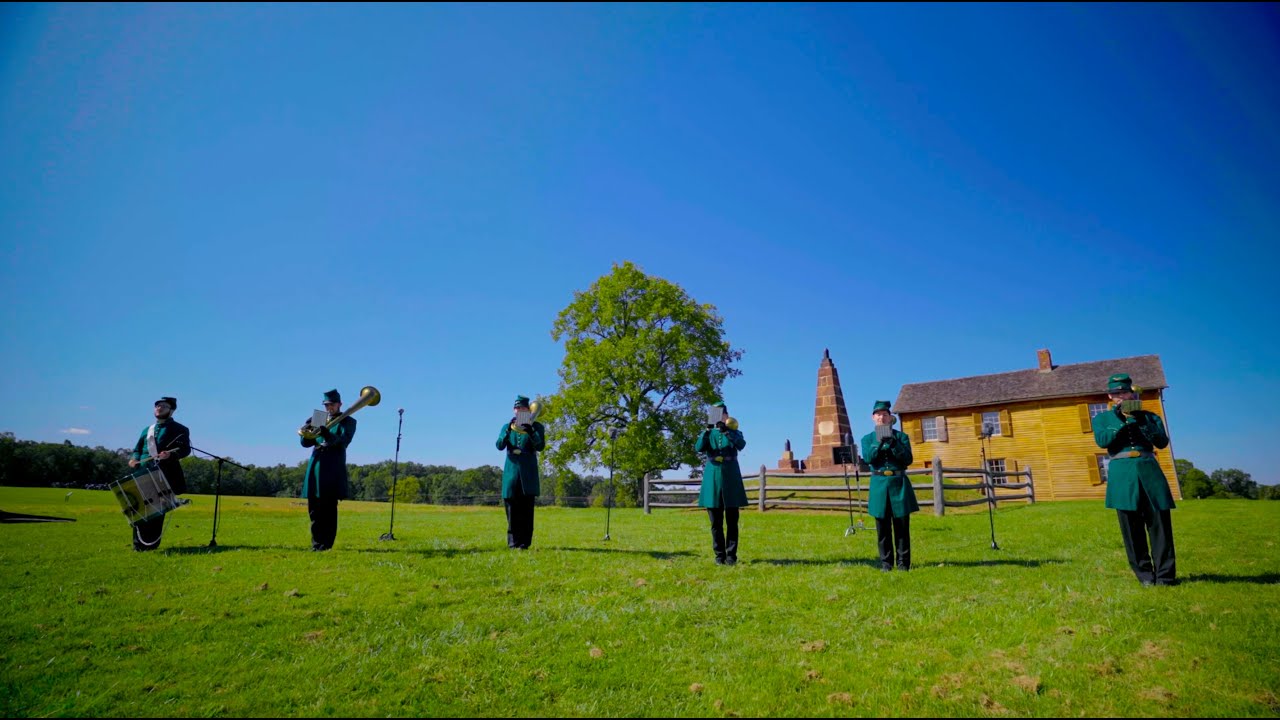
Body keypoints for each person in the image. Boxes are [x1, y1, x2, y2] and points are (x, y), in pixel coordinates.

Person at [1091, 373, 1177, 586]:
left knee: (1160, 527)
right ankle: (1145, 576)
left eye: (1124, 392)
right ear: (1110, 396)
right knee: (1131, 529)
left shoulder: (1149, 416)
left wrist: (1138, 419)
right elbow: (1103, 441)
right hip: (1122, 474)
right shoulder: (1102, 419)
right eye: (1116, 393)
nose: (1121, 396)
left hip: (1149, 471)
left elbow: (1162, 442)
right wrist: (1122, 421)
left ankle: (1165, 576)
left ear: (1132, 392)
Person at [127, 396, 191, 551]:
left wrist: (170, 455)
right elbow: (137, 449)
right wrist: (133, 459)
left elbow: (185, 450)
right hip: (142, 472)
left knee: (156, 511)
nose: (159, 408)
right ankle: (138, 545)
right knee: (139, 510)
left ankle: (151, 544)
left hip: (163, 474)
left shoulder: (180, 429)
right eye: (157, 406)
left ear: (171, 410)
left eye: (163, 406)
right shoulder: (146, 430)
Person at [859, 400, 917, 571]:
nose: (882, 418)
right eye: (878, 415)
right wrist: (879, 442)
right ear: (873, 418)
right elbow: (869, 458)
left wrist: (893, 443)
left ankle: (903, 563)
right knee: (882, 527)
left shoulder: (901, 437)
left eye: (885, 415)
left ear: (890, 418)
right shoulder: (867, 439)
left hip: (898, 484)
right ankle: (886, 563)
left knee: (901, 526)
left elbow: (908, 460)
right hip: (879, 485)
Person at [301, 389, 355, 551]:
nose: (329, 407)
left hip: (332, 468)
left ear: (339, 404)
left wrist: (326, 433)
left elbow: (342, 442)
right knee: (314, 510)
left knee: (329, 510)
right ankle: (316, 544)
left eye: (332, 404)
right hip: (316, 467)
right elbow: (306, 443)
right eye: (326, 405)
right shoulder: (319, 418)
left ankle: (327, 544)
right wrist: (306, 431)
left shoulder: (348, 421)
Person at [696, 401, 748, 565]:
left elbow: (741, 445)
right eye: (714, 413)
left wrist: (727, 432)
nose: (718, 416)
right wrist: (707, 429)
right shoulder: (709, 433)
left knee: (732, 521)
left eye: (720, 413)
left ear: (726, 415)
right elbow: (699, 447)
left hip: (730, 477)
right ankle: (719, 556)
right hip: (712, 479)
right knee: (715, 522)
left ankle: (731, 556)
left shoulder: (734, 431)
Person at [496, 395, 544, 549]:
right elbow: (499, 445)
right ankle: (513, 543)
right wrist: (507, 432)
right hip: (511, 474)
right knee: (511, 511)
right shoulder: (506, 426)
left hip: (528, 474)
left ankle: (524, 543)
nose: (520, 411)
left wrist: (531, 431)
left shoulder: (537, 427)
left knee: (526, 511)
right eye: (518, 409)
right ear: (514, 410)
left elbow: (540, 446)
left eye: (523, 409)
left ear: (528, 410)